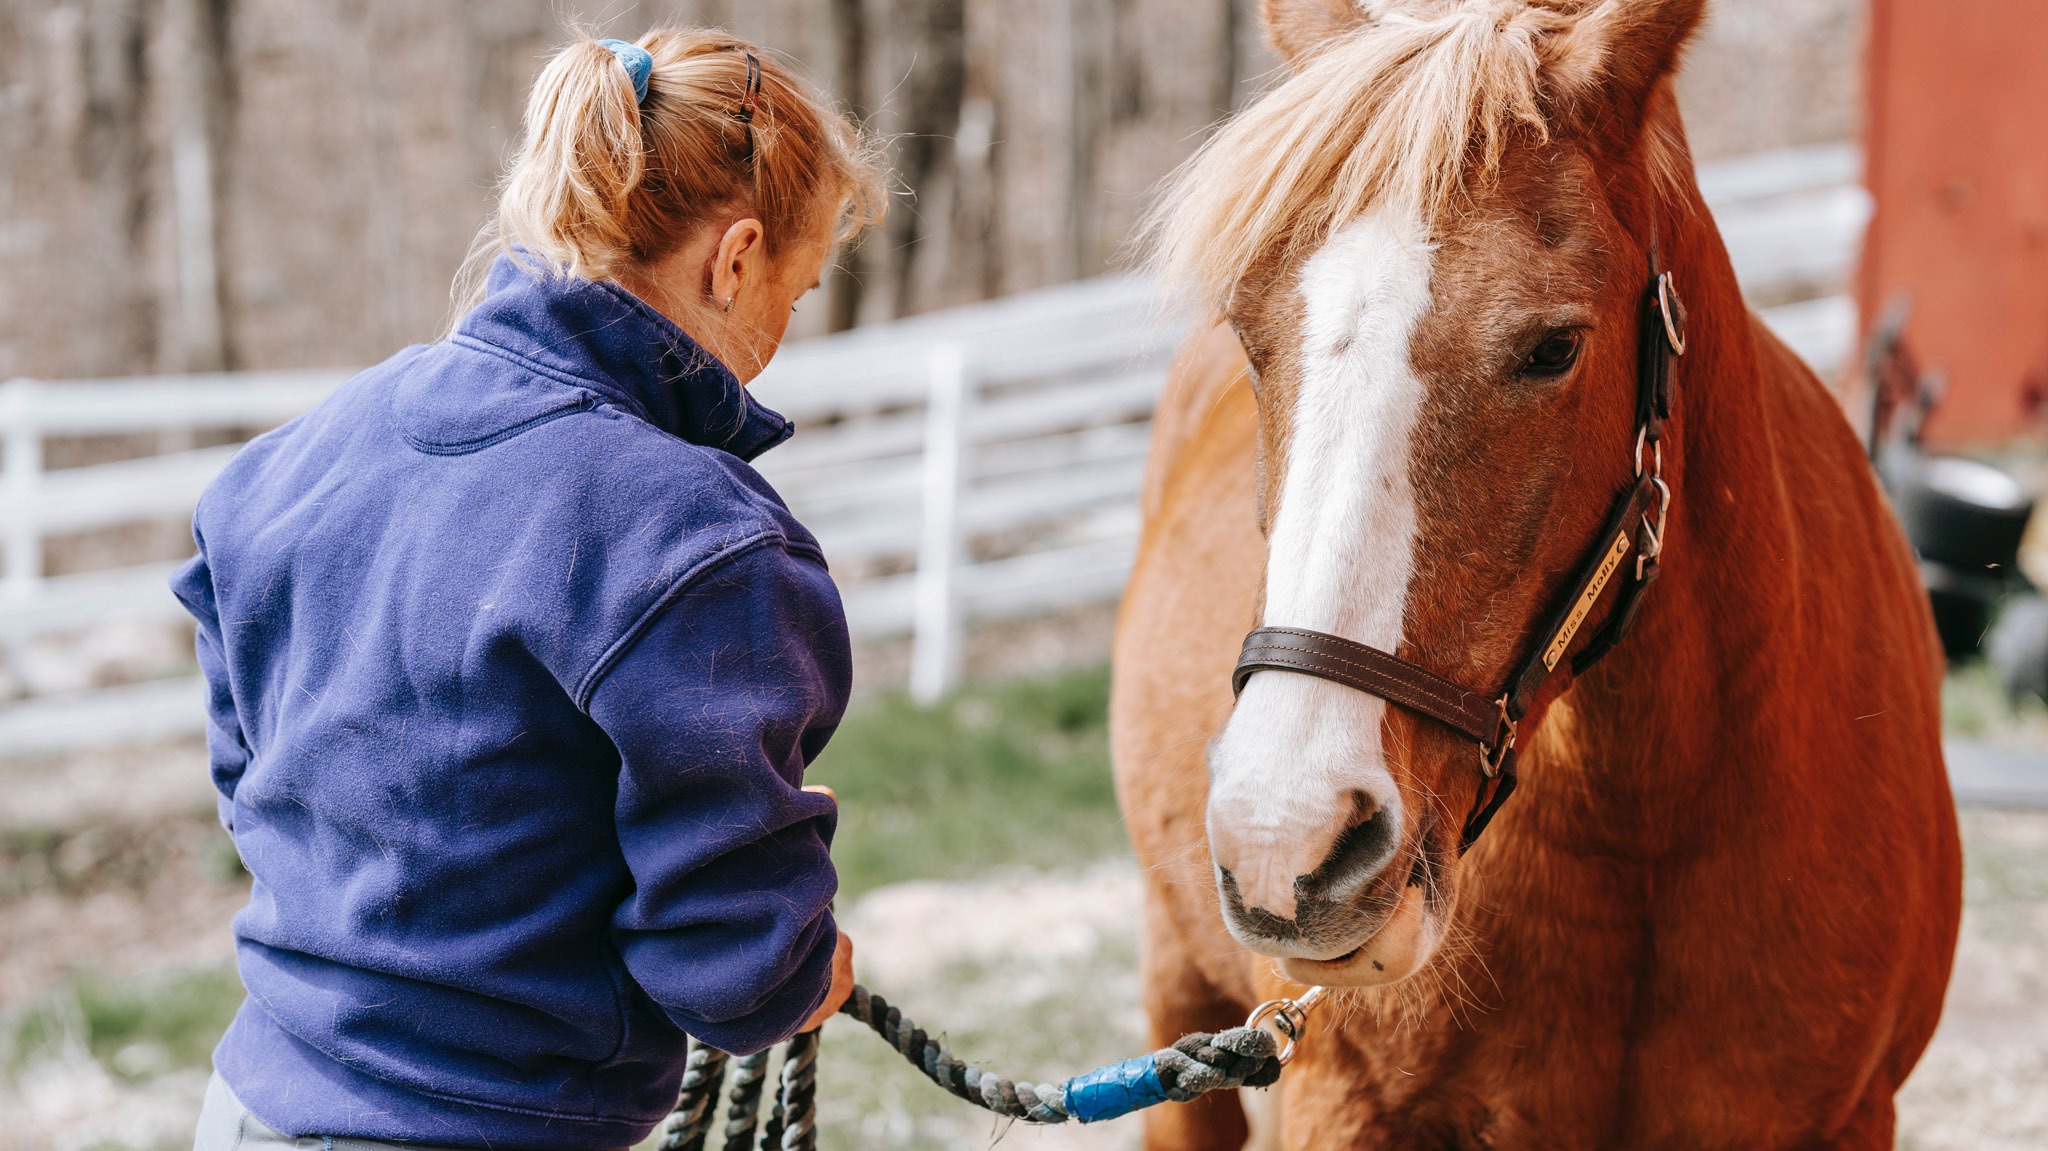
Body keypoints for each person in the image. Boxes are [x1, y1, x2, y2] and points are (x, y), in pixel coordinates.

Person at [175, 27, 885, 1151]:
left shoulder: (299, 457)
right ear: (735, 256)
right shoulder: (701, 540)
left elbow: (252, 767)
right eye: (791, 294)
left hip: (256, 1095)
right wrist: (794, 966)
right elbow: (732, 970)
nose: (777, 336)